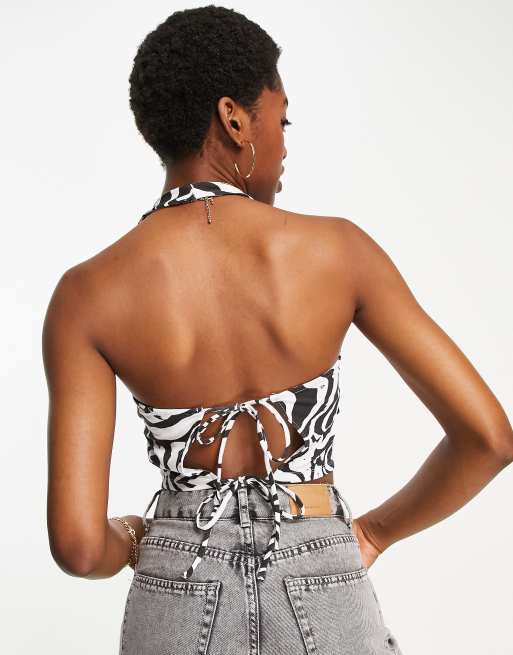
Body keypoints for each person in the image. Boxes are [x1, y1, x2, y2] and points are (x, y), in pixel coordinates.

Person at [43, 6, 513, 654]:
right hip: (322, 572)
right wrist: (372, 533)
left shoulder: (87, 293)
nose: (285, 143)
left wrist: (130, 537)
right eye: (282, 118)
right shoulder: (338, 252)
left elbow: (76, 544)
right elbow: (488, 438)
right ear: (234, 119)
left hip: (176, 581)